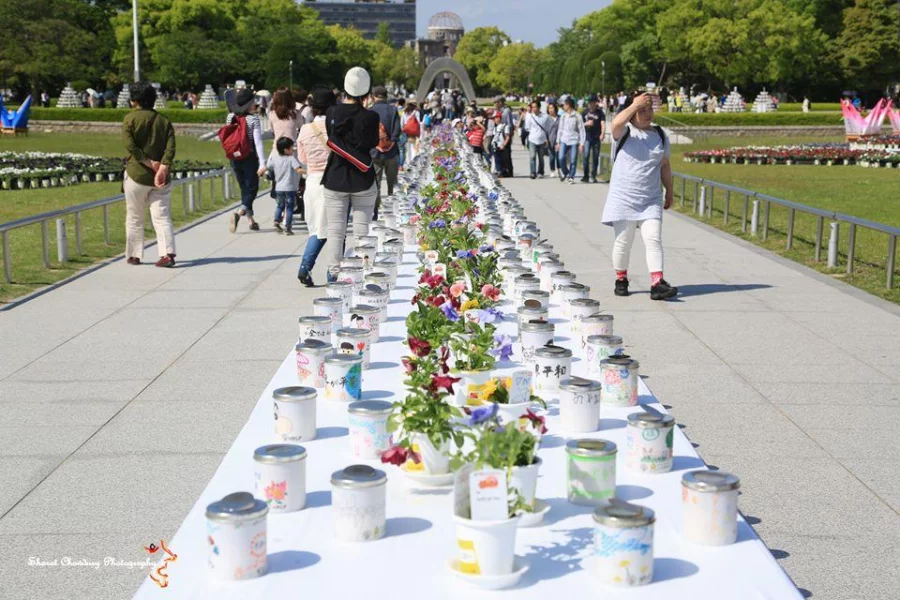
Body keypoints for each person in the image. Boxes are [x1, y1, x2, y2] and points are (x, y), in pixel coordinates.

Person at [601, 92, 677, 301]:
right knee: (624, 241)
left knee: (653, 239)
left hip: (650, 199)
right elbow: (615, 124)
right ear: (632, 111)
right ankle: (621, 279)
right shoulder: (625, 132)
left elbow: (665, 165)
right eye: (642, 110)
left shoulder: (659, 134)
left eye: (650, 109)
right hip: (624, 197)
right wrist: (635, 105)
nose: (647, 114)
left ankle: (657, 283)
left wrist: (669, 190)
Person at [322, 67, 380, 283]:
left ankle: (334, 275)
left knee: (335, 231)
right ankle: (359, 274)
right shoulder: (371, 117)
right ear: (366, 91)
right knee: (361, 232)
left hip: (336, 176)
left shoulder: (332, 113)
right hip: (362, 176)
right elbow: (372, 143)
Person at [122, 81, 177, 267]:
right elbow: (170, 147)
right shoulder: (163, 121)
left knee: (135, 216)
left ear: (134, 100)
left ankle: (134, 255)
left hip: (136, 175)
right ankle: (167, 253)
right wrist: (163, 167)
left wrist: (148, 162)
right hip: (161, 179)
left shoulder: (129, 119)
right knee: (162, 216)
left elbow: (130, 146)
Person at [295, 87, 335, 286]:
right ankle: (328, 273)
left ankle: (306, 268)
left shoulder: (305, 129)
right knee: (333, 230)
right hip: (332, 181)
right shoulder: (335, 127)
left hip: (311, 182)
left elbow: (302, 158)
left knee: (316, 228)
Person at [226, 88, 266, 232]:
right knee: (252, 188)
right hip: (249, 157)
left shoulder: (230, 117)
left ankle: (251, 220)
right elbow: (258, 142)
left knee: (244, 188)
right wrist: (262, 163)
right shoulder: (253, 119)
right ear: (249, 103)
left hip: (234, 156)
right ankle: (239, 213)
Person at [369, 85, 400, 220]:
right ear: (386, 96)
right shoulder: (393, 110)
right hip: (391, 153)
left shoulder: (370, 111)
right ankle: (392, 211)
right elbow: (397, 131)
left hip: (374, 153)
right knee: (392, 183)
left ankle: (375, 212)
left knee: (375, 184)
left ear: (373, 97)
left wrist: (377, 146)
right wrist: (390, 144)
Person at [266, 136, 303, 235]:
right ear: (286, 150)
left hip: (279, 188)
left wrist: (262, 171)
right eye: (291, 148)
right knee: (289, 207)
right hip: (290, 188)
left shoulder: (275, 158)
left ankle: (276, 221)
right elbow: (298, 169)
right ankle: (288, 228)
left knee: (280, 206)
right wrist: (309, 171)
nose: (293, 150)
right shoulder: (291, 159)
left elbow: (268, 166)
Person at [555, 97, 584, 184]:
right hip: (564, 139)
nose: (563, 106)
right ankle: (566, 172)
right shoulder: (563, 116)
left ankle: (571, 177)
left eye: (564, 105)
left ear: (569, 105)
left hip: (574, 140)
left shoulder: (577, 116)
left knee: (573, 160)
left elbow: (581, 130)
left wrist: (581, 143)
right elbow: (560, 129)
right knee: (561, 157)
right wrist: (558, 142)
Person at [581, 94, 606, 183]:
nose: (590, 104)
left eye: (592, 102)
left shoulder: (600, 113)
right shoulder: (584, 112)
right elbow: (579, 125)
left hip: (596, 137)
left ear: (596, 103)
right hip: (587, 137)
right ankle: (586, 175)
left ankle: (593, 175)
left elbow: (603, 123)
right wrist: (586, 124)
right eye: (589, 102)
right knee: (586, 156)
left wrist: (603, 133)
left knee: (595, 157)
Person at [524, 101, 550, 179]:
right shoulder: (530, 116)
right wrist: (533, 132)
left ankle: (540, 172)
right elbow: (527, 127)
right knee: (532, 156)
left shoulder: (545, 117)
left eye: (535, 107)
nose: (533, 109)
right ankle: (533, 172)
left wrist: (547, 138)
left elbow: (548, 128)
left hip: (542, 140)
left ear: (539, 107)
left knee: (541, 157)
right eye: (532, 107)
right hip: (532, 139)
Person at [491, 111, 511, 177]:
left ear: (499, 118)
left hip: (503, 146)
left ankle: (505, 172)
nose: (495, 120)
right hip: (496, 146)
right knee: (497, 160)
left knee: (504, 160)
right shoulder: (495, 128)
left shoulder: (505, 126)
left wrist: (504, 145)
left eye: (496, 118)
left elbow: (507, 137)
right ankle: (499, 171)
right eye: (494, 118)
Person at [401, 98, 421, 163]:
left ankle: (408, 161)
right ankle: (413, 160)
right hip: (414, 131)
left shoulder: (404, 112)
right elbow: (418, 122)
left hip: (406, 130)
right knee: (414, 145)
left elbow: (402, 122)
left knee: (407, 146)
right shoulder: (416, 112)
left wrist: (402, 129)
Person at [545, 103, 560, 176]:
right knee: (551, 157)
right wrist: (546, 139)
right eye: (549, 108)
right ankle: (552, 170)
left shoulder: (560, 118)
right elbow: (545, 130)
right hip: (550, 140)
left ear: (555, 109)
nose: (550, 110)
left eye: (552, 108)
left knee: (559, 156)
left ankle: (559, 169)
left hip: (559, 141)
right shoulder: (547, 119)